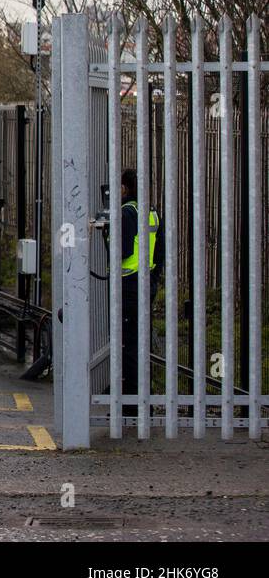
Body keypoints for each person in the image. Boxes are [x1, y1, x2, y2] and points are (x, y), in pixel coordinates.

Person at [119, 167, 164, 413]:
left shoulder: (127, 212)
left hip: (128, 285)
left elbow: (123, 251)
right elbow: (160, 253)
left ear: (125, 188)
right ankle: (141, 401)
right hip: (147, 283)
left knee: (128, 346)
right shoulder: (152, 212)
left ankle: (131, 407)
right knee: (140, 342)